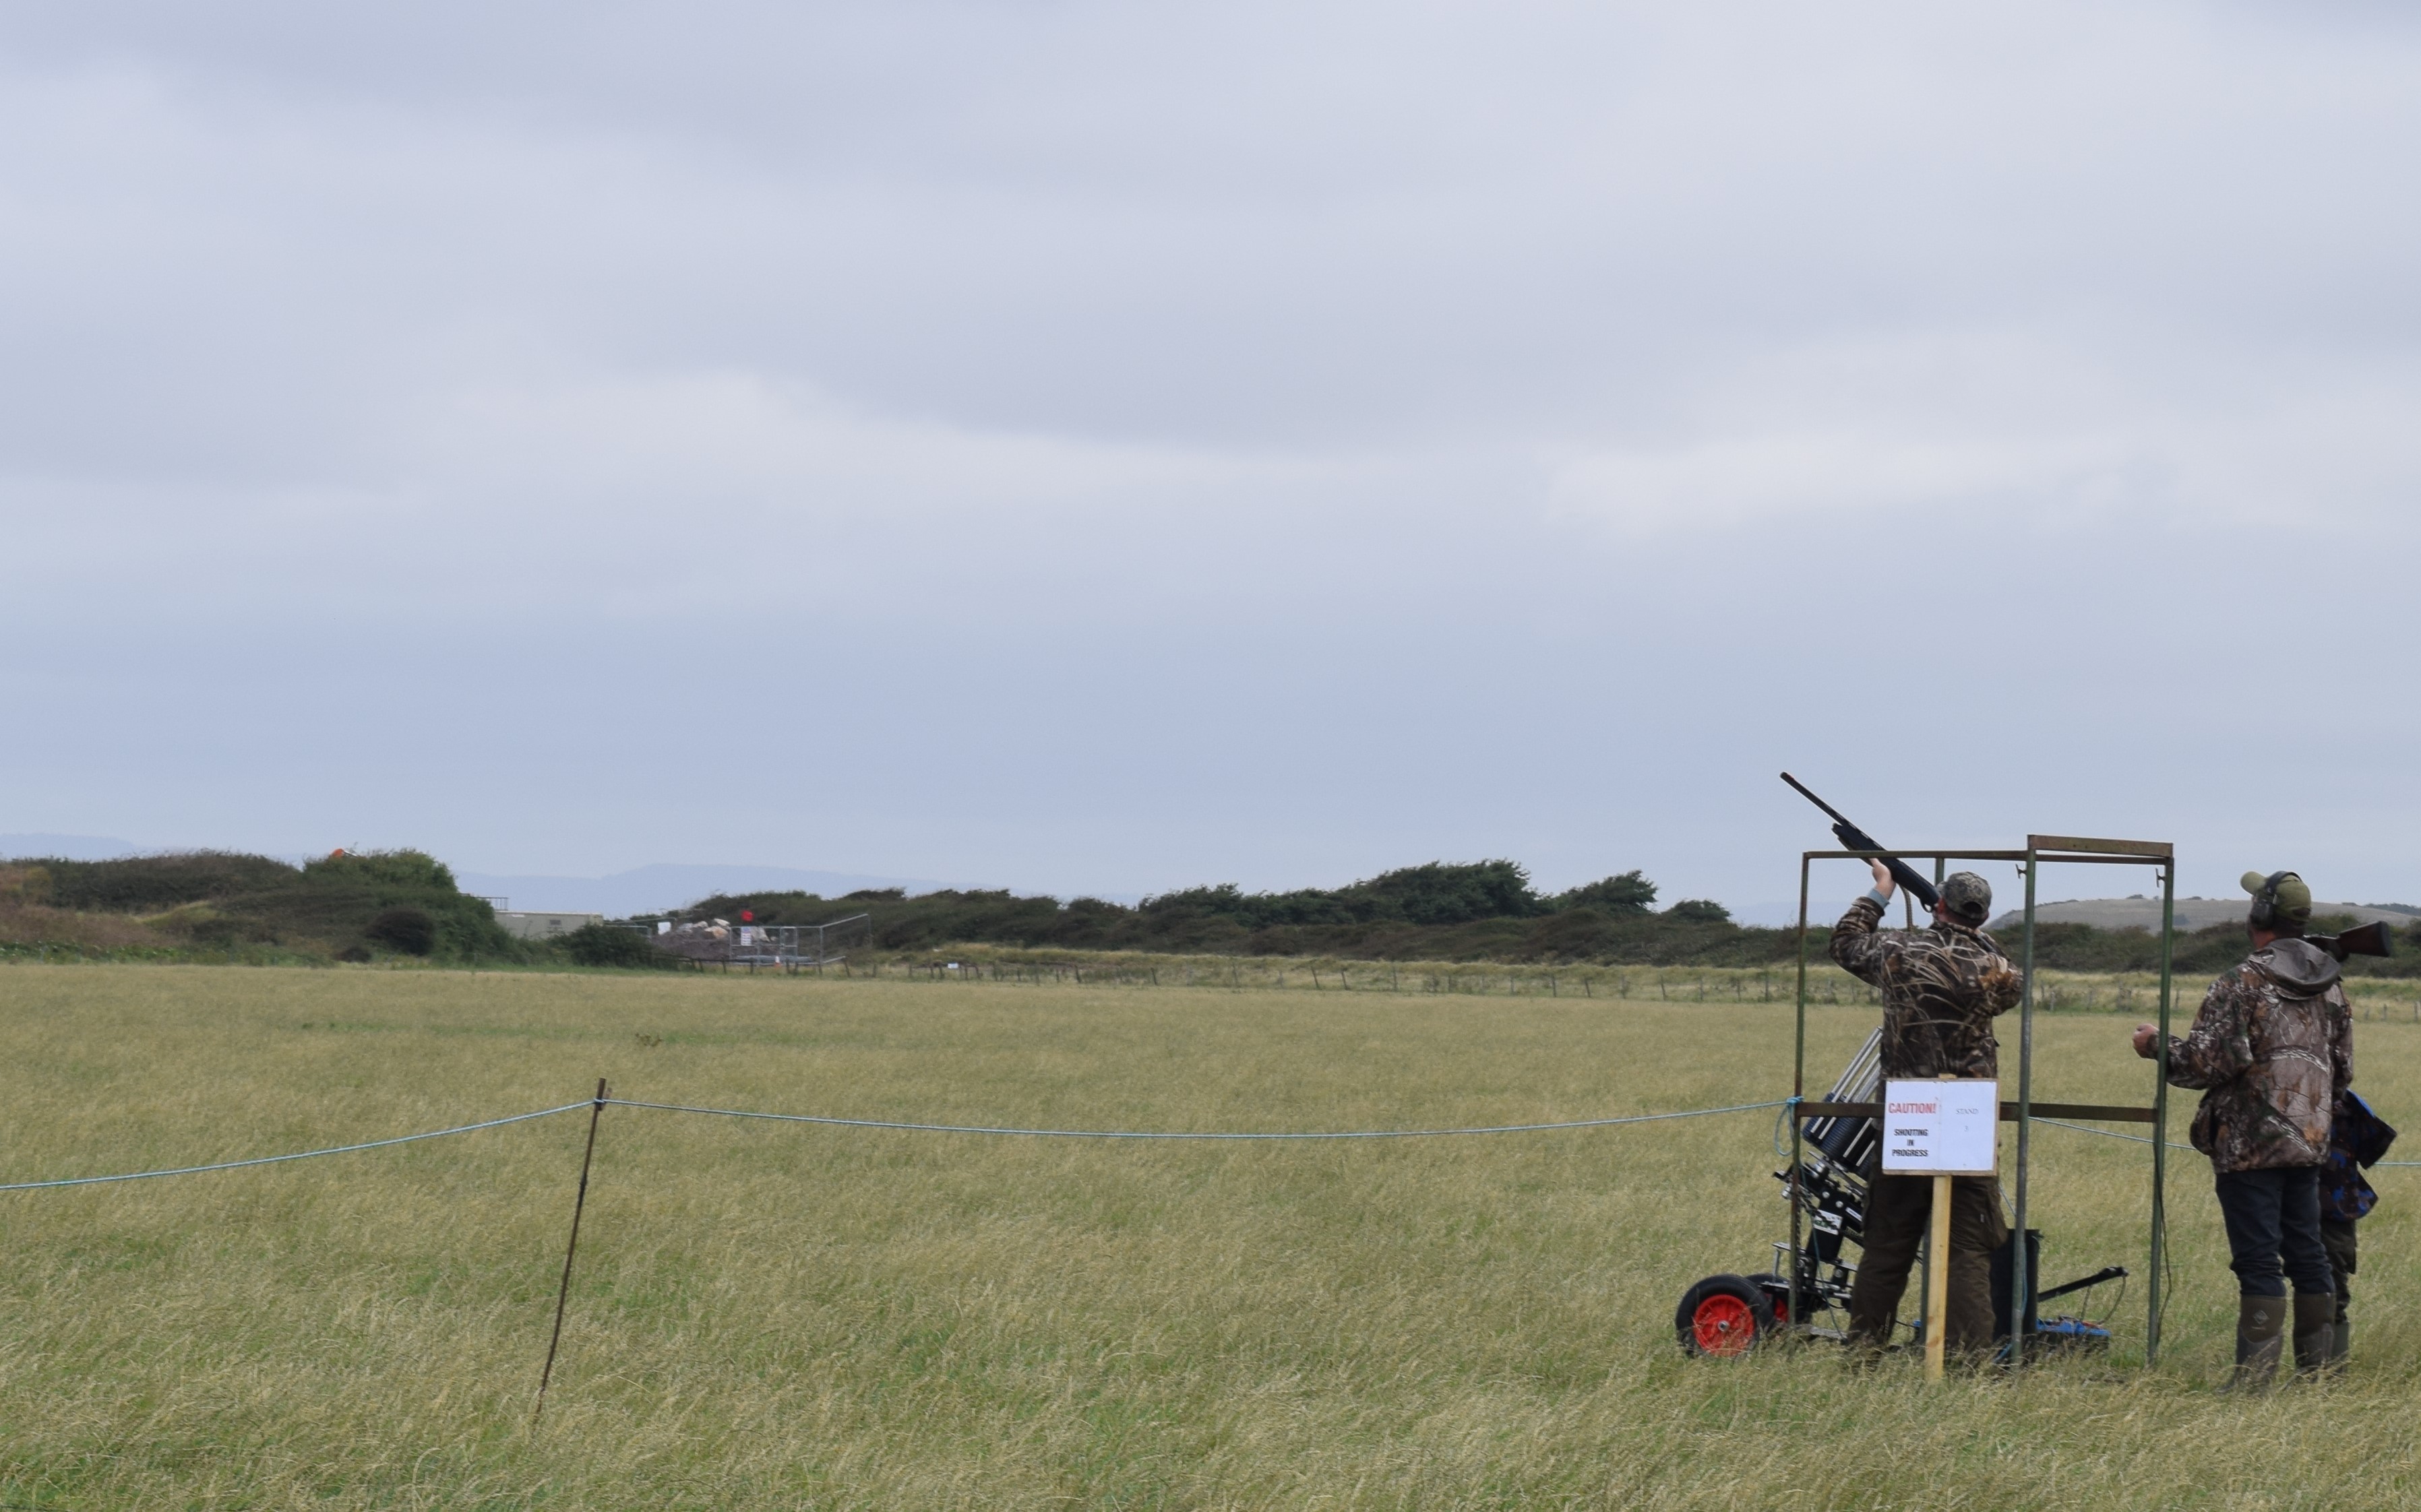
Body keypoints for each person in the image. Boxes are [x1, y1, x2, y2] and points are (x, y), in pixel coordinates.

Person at [2133, 869, 2352, 1387]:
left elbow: (2205, 1065)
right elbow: (2342, 1070)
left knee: (2258, 1259)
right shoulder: (2332, 985)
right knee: (2307, 1252)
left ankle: (2253, 1380)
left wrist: (2157, 1045)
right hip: (2310, 1143)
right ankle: (2318, 1374)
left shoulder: (2241, 982)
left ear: (2258, 916)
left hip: (2250, 1146)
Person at [1831, 861, 2023, 1358]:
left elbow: (1846, 943)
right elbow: (2010, 980)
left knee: (1887, 1246)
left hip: (1906, 1115)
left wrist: (1881, 892)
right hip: (1967, 1120)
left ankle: (1864, 1353)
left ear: (1938, 904)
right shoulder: (1996, 968)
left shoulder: (1898, 949)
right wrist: (1970, 934)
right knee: (1967, 1249)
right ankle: (1969, 1361)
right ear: (1981, 918)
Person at [2319, 1088, 2396, 1370]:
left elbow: (2371, 1144)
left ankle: (2331, 1371)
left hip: (2332, 1206)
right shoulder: (2346, 1103)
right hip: (2309, 1203)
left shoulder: (2346, 1103)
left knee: (2331, 1288)